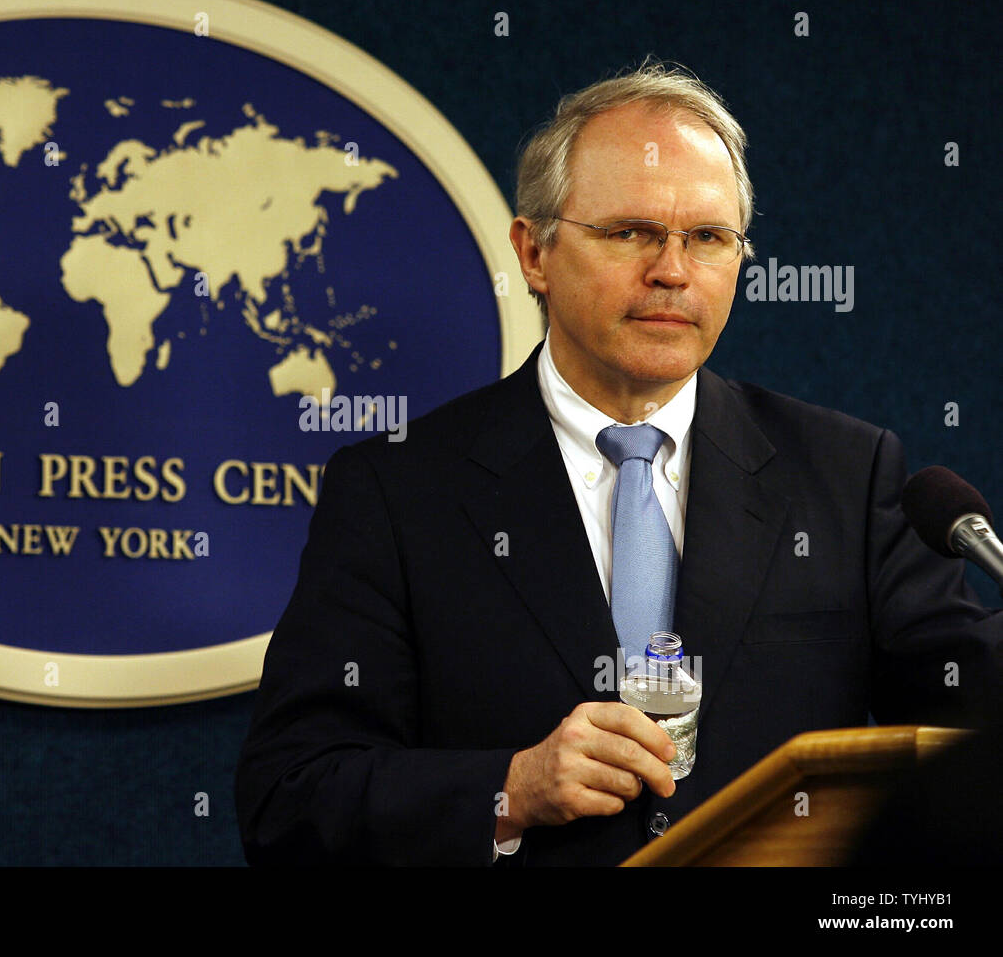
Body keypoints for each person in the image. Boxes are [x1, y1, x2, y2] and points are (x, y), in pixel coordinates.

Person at [233, 60, 1003, 866]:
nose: (672, 270)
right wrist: (512, 788)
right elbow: (288, 797)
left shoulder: (847, 474)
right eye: (631, 232)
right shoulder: (396, 492)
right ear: (534, 254)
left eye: (708, 238)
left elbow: (970, 701)